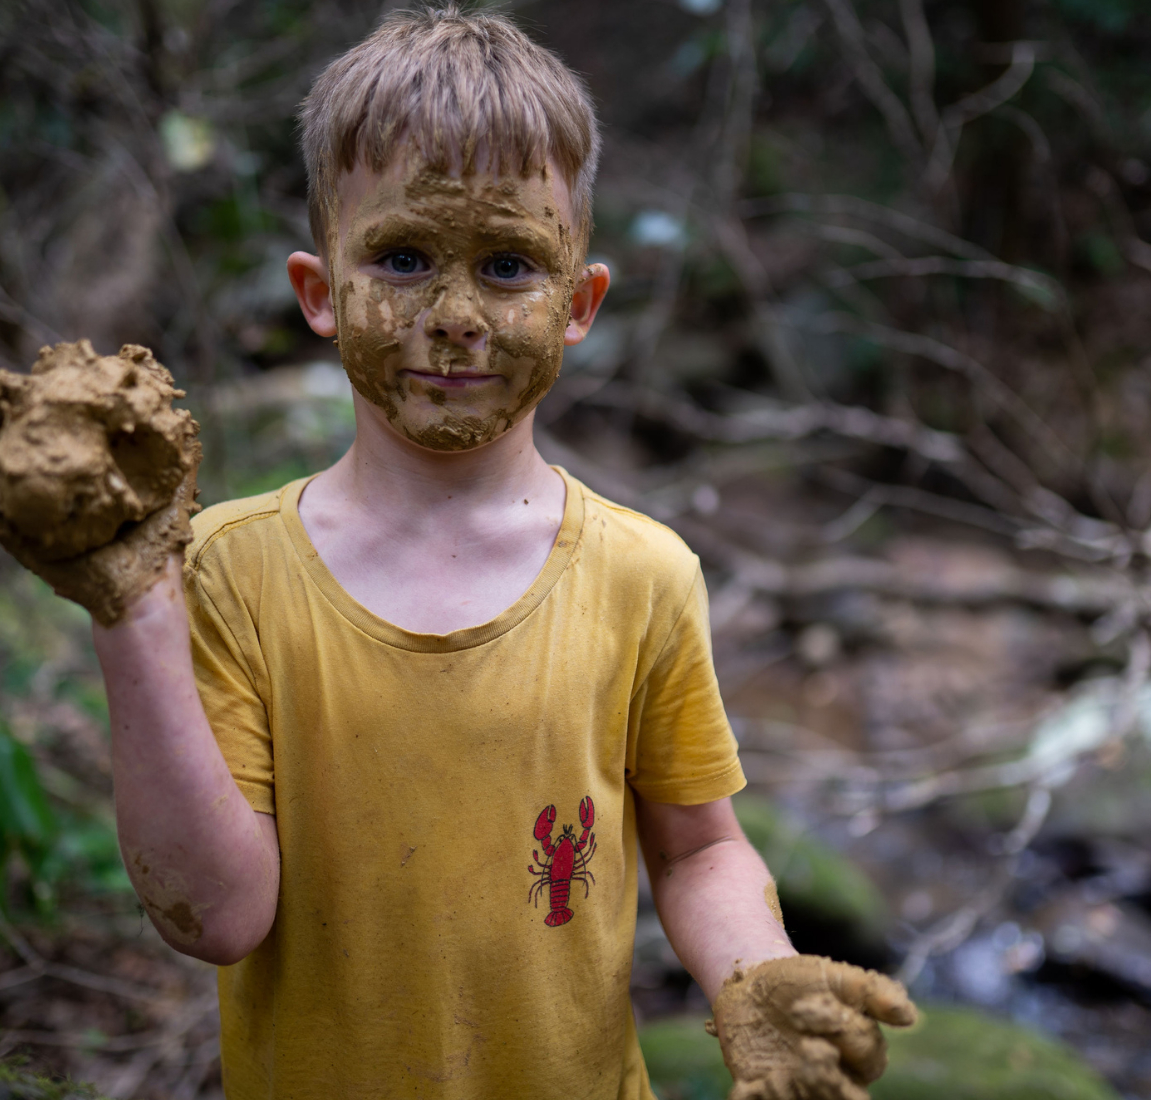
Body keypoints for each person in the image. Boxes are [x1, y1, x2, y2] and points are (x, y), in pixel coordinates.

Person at [78, 7, 913, 1099]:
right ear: (320, 291)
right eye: (406, 256)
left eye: (511, 264)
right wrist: (130, 603)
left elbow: (700, 848)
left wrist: (756, 975)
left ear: (579, 301)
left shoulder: (640, 574)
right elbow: (219, 914)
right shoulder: (230, 570)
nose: (458, 314)